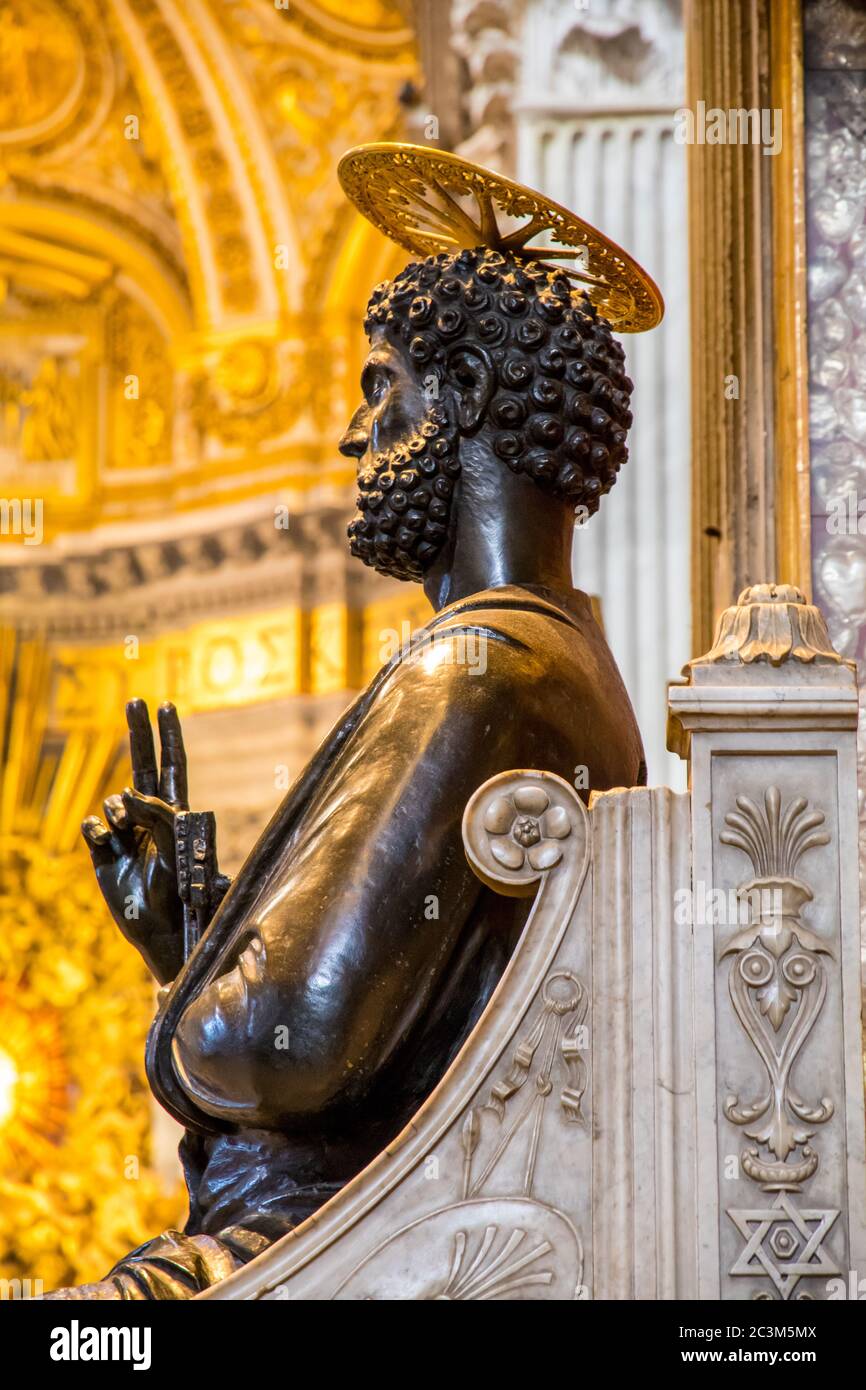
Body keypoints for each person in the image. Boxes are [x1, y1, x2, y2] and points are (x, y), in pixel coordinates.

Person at [48, 243, 645, 1299]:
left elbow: (290, 1044)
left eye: (382, 387)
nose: (352, 430)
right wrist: (187, 942)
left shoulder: (472, 672)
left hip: (319, 1247)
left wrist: (191, 1006)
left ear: (461, 393)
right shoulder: (557, 662)